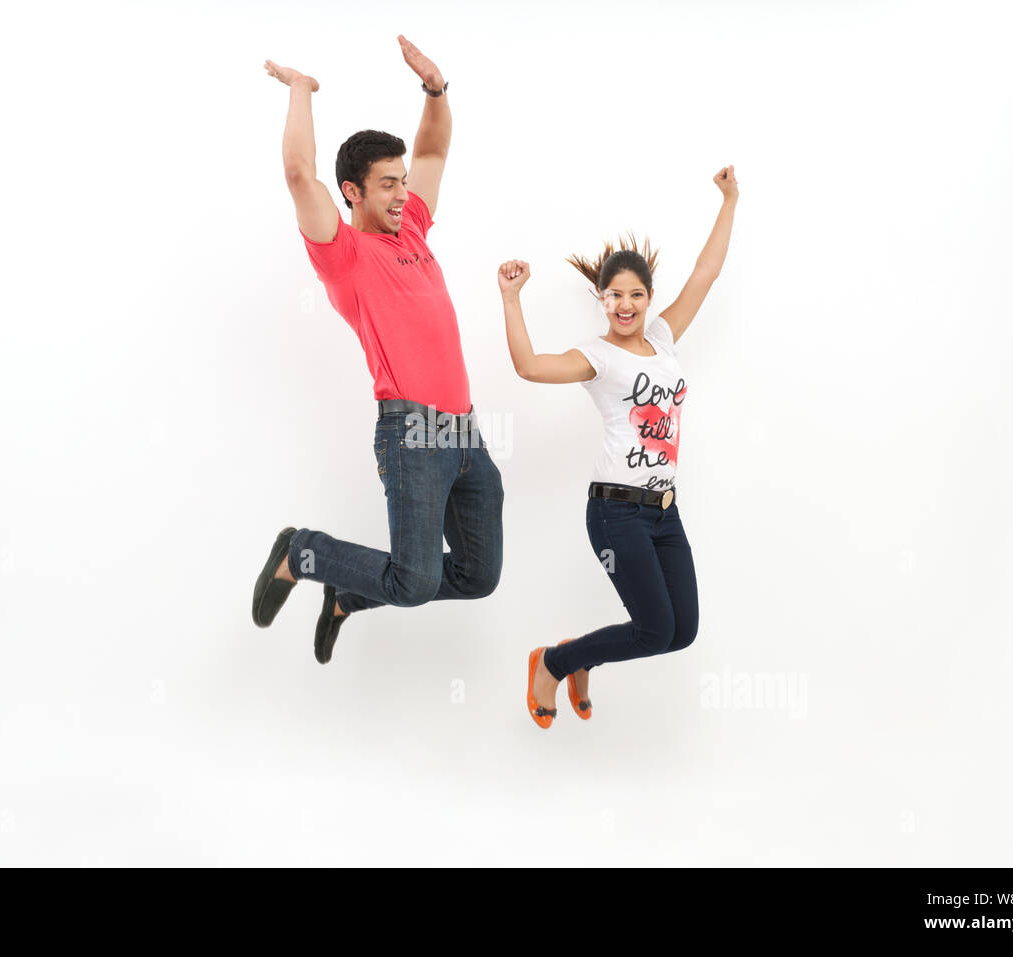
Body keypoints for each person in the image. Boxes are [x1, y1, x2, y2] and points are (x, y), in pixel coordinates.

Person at [254, 36, 504, 665]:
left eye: (401, 182)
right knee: (415, 582)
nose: (401, 194)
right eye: (386, 184)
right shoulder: (344, 254)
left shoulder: (411, 224)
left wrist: (436, 89)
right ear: (352, 192)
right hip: (411, 433)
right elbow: (296, 174)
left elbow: (434, 148)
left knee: (478, 576)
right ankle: (301, 552)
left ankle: (347, 596)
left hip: (464, 434)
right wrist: (301, 90)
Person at [498, 166, 739, 727]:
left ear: (649, 298)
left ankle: (578, 660)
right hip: (615, 512)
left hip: (663, 510)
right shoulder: (598, 357)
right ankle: (554, 662)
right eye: (615, 296)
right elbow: (530, 367)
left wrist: (729, 199)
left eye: (635, 295)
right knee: (655, 628)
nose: (625, 305)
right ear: (601, 299)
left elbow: (706, 273)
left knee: (681, 633)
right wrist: (512, 298)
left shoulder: (662, 338)